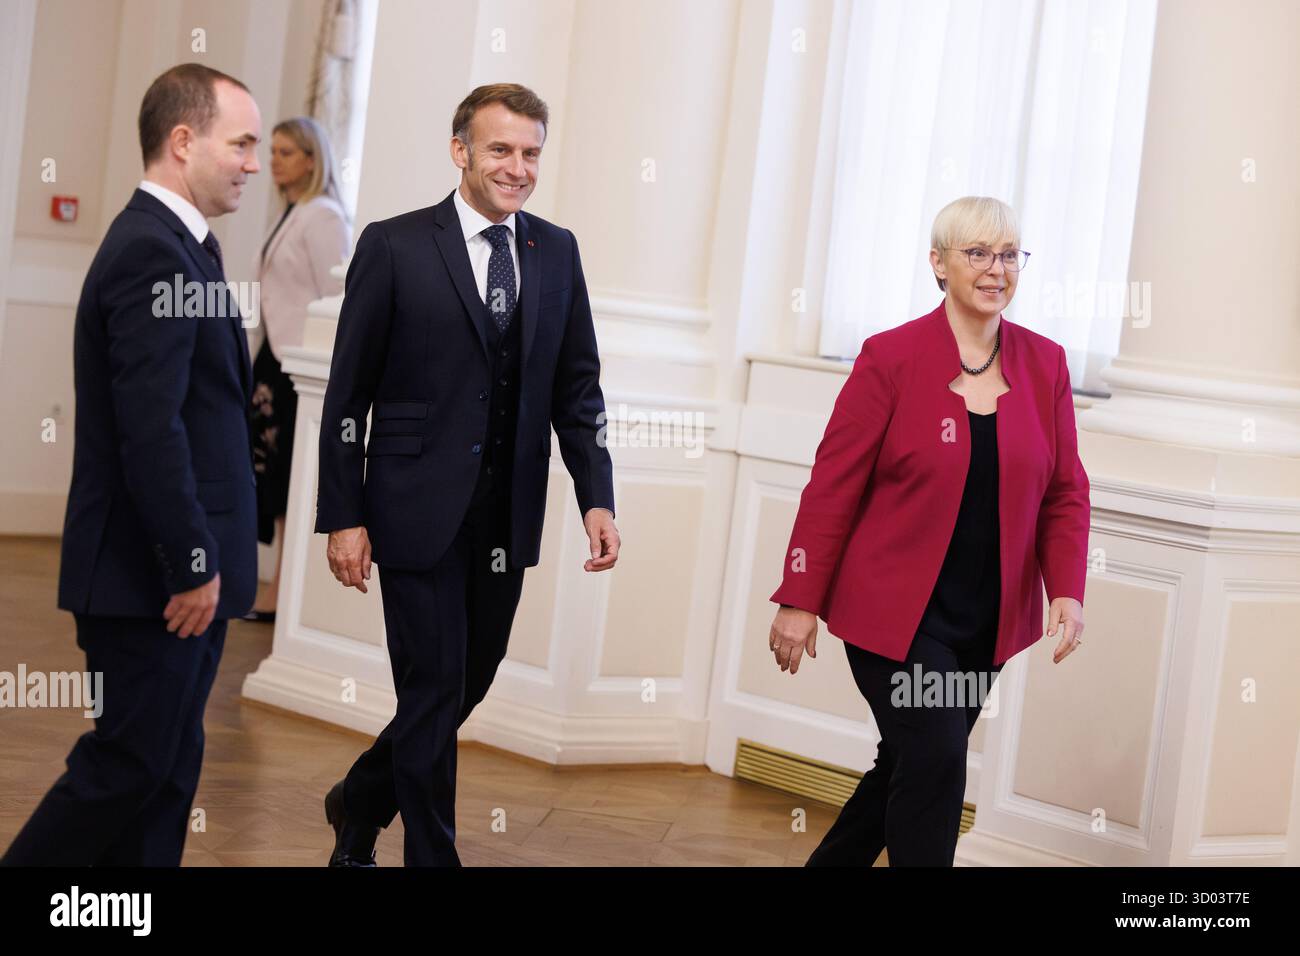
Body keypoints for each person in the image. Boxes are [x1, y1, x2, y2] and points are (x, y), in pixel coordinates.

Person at [315, 83, 621, 867]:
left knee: (467, 683)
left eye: (531, 153)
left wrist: (596, 496)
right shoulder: (394, 245)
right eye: (501, 149)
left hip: (506, 515)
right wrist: (343, 514)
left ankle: (360, 800)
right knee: (432, 688)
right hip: (412, 508)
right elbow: (348, 396)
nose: (518, 168)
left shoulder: (557, 251)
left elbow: (577, 388)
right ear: (461, 151)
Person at [768, 196, 1091, 867]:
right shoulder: (890, 357)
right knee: (938, 758)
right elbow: (833, 486)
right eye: (978, 253)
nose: (996, 269)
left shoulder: (1047, 363)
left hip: (986, 621)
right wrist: (799, 598)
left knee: (911, 762)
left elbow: (1065, 490)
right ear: (939, 264)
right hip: (894, 615)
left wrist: (1066, 589)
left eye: (1009, 255)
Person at [0, 63, 261, 866]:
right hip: (151, 578)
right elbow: (151, 432)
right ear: (183, 141)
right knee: (127, 767)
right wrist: (190, 562)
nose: (252, 163)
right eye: (240, 143)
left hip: (175, 576)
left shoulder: (185, 246)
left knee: (167, 771)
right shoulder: (154, 252)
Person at [245, 116, 351, 621]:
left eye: (285, 152)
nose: (273, 162)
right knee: (269, 475)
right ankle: (272, 588)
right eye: (272, 152)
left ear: (312, 160)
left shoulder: (323, 216)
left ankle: (281, 596)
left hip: (297, 363)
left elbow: (337, 295)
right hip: (273, 355)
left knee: (286, 478)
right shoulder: (291, 213)